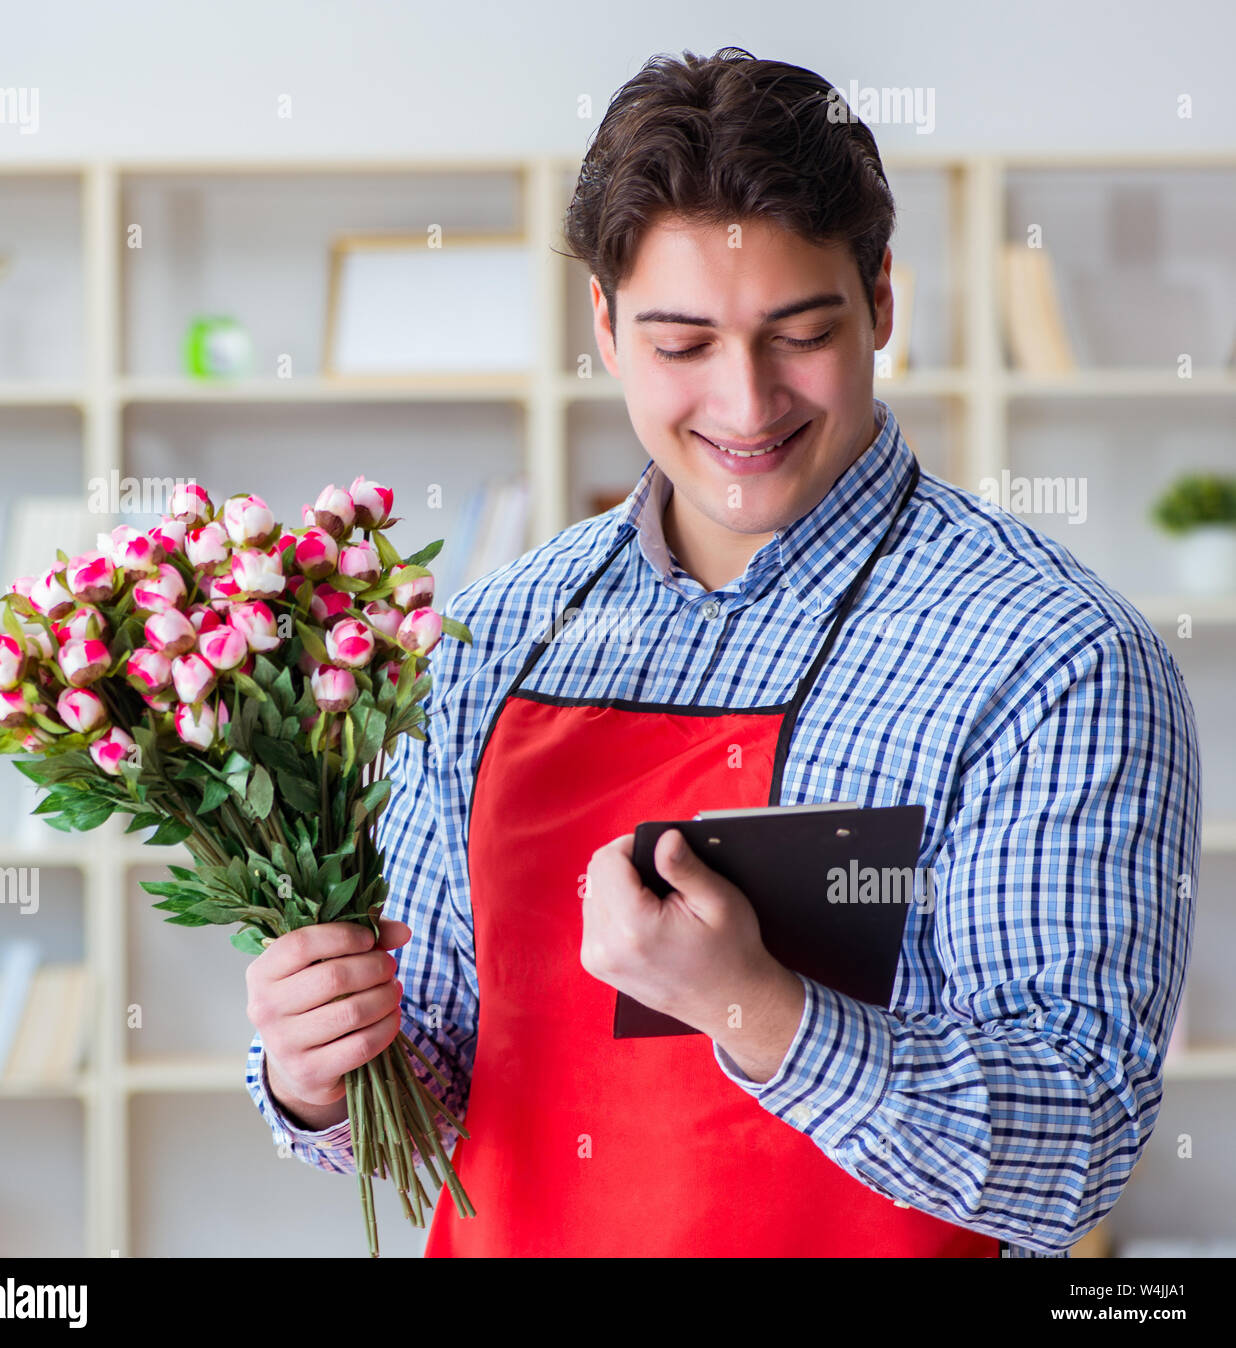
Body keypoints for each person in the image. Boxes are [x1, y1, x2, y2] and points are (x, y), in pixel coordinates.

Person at [243, 47, 1199, 1257]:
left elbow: (1074, 1143)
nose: (746, 407)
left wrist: (752, 1006)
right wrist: (315, 1070)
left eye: (798, 333)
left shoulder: (1051, 656)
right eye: (682, 344)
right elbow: (434, 1087)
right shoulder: (491, 640)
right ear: (603, 323)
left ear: (881, 303)